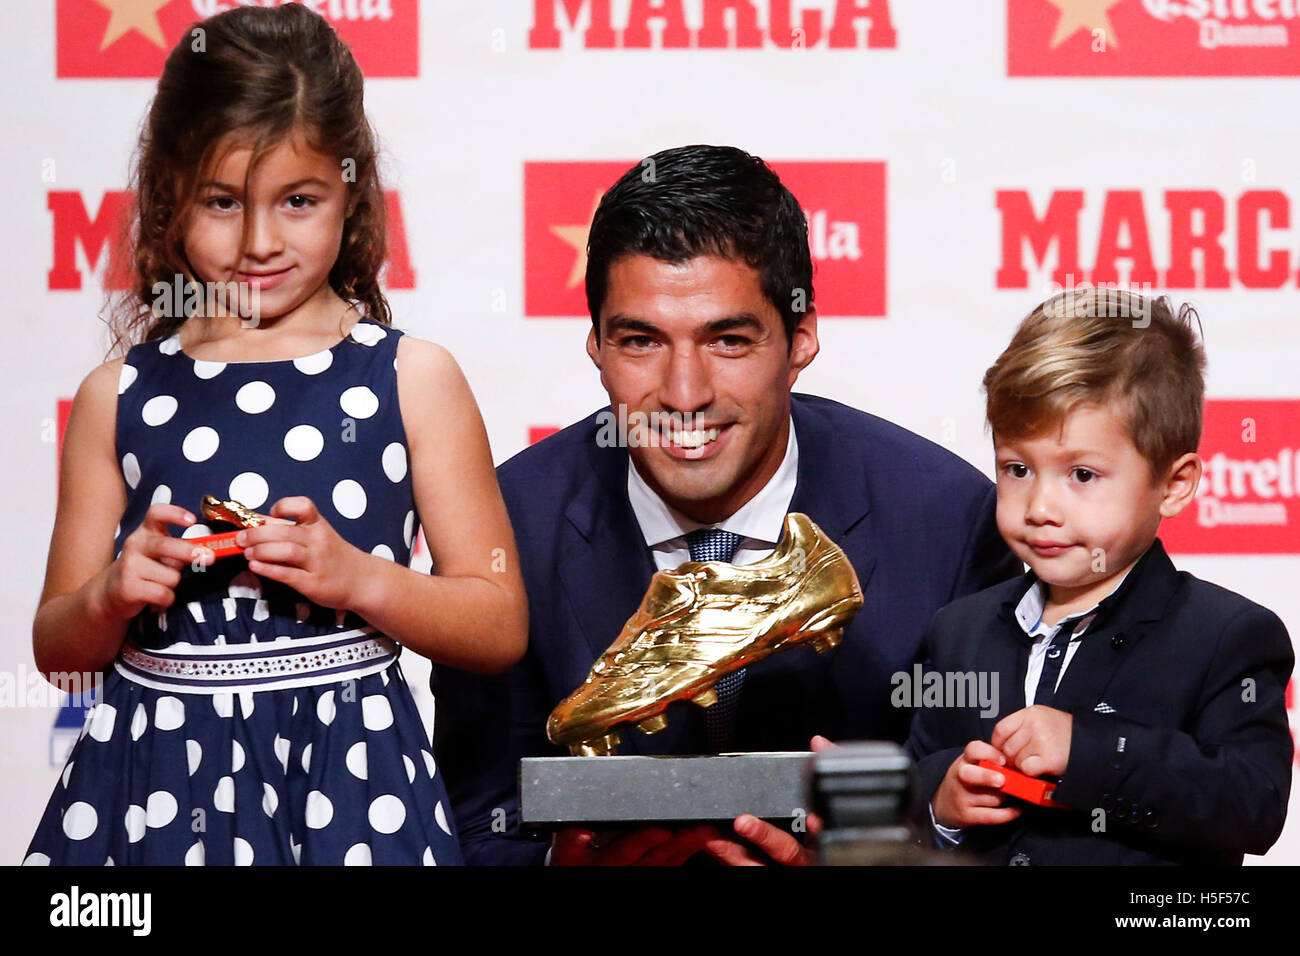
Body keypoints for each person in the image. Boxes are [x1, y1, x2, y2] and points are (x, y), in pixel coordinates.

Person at [24, 4, 527, 866]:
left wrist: (360, 578)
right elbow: (55, 648)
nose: (258, 242)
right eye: (221, 203)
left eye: (298, 201)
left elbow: (496, 622)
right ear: (168, 196)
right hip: (153, 786)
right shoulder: (120, 395)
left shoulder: (411, 379)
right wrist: (111, 593)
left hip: (352, 781)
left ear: (352, 191)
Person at [433, 144, 1021, 865]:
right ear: (594, 345)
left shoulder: (946, 518)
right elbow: (476, 816)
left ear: (800, 339)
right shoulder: (508, 525)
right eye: (641, 341)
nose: (685, 394)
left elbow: (999, 821)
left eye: (729, 340)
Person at [905, 288, 1294, 865]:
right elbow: (918, 770)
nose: (1040, 506)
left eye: (1082, 474)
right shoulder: (958, 629)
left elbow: (1252, 803)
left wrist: (1089, 753)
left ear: (1175, 482)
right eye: (1017, 468)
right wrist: (941, 801)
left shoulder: (1226, 636)